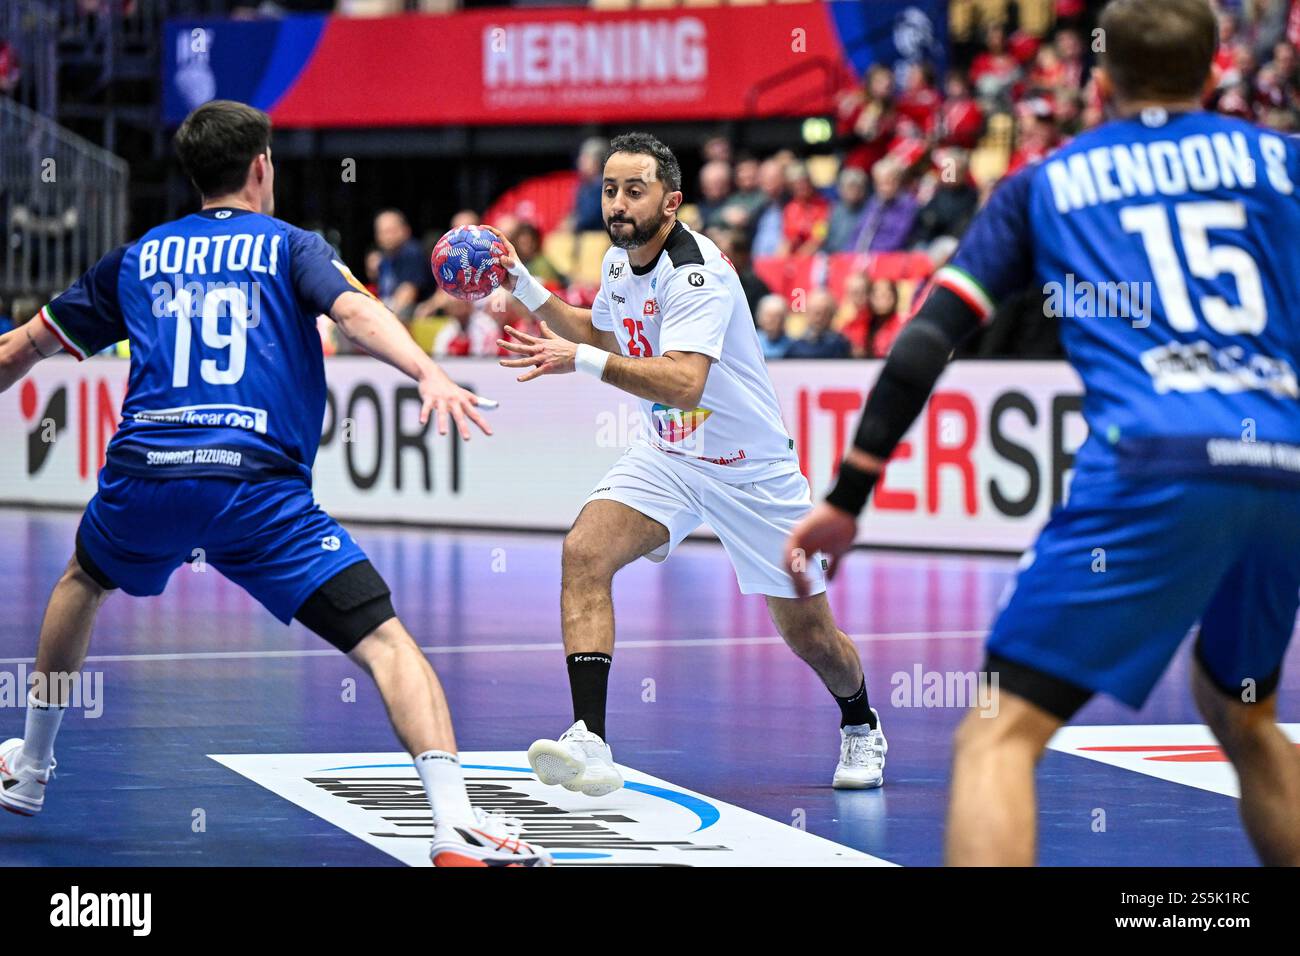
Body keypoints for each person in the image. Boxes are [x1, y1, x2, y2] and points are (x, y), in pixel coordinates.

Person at [788, 0, 1300, 866]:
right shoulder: (1285, 162)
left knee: (998, 734)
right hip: (1283, 465)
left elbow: (924, 337)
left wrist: (848, 495)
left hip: (1153, 461)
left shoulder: (1048, 183)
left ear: (1099, 82)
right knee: (1243, 711)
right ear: (1214, 75)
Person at [0, 100, 548, 867]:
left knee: (81, 579)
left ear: (195, 177)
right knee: (387, 645)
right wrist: (428, 370)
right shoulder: (293, 246)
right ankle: (453, 822)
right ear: (261, 168)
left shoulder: (135, 257)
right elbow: (356, 313)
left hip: (144, 477)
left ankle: (30, 767)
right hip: (255, 490)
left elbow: (23, 348)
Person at [488, 132, 886, 797]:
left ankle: (860, 720)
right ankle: (590, 740)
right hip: (670, 455)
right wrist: (523, 284)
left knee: (812, 636)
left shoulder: (696, 272)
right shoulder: (620, 263)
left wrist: (578, 362)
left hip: (750, 471)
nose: (617, 202)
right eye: (610, 189)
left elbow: (683, 382)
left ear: (671, 201)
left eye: (634, 190)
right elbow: (598, 330)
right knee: (585, 553)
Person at [372, 208, 431, 321]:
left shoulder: (411, 252)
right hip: (389, 313)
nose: (387, 236)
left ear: (405, 230)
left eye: (390, 231)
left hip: (413, 320)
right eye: (382, 232)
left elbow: (407, 295)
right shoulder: (385, 259)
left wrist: (382, 319)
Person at [787, 289, 851, 359]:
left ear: (831, 316)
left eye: (824, 313)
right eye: (815, 313)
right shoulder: (795, 347)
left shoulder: (840, 345)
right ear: (807, 313)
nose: (819, 318)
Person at [755, 293, 794, 360]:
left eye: (776, 316)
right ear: (760, 317)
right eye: (768, 316)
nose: (771, 320)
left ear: (783, 319)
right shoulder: (753, 342)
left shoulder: (792, 346)